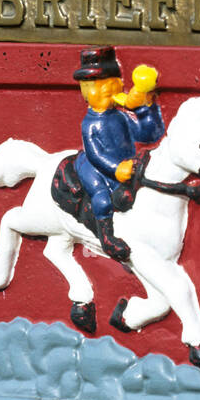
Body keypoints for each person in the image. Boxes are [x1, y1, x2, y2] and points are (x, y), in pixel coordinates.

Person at [68, 46, 164, 260]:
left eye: (111, 83)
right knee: (102, 198)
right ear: (84, 93)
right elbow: (95, 155)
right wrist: (115, 168)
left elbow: (148, 134)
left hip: (126, 164)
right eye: (96, 86)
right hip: (96, 167)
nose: (105, 90)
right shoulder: (90, 125)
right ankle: (107, 238)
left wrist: (143, 107)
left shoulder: (121, 117)